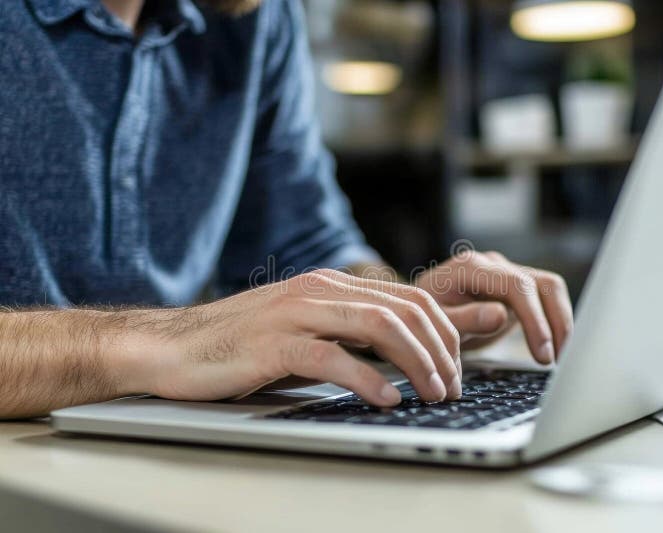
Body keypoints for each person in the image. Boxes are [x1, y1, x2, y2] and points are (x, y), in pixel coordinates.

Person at [0, 0, 573, 419]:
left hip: (157, 444)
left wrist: (394, 308)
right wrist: (166, 339)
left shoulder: (253, 18)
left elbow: (306, 246)